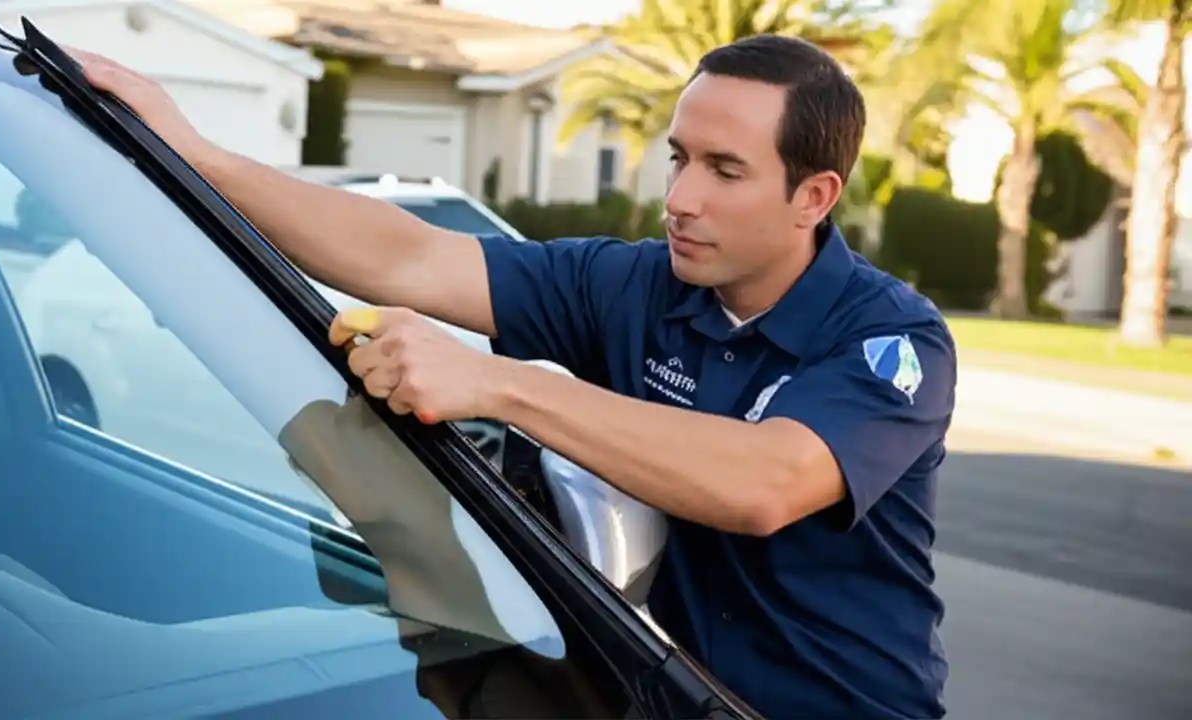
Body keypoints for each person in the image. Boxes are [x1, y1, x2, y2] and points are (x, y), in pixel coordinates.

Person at [70, 33, 954, 720]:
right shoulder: (635, 286)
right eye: (681, 158)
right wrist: (192, 153)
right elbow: (411, 256)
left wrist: (501, 385)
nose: (681, 198)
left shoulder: (890, 339)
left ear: (814, 197)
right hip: (667, 696)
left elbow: (764, 481)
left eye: (726, 171)